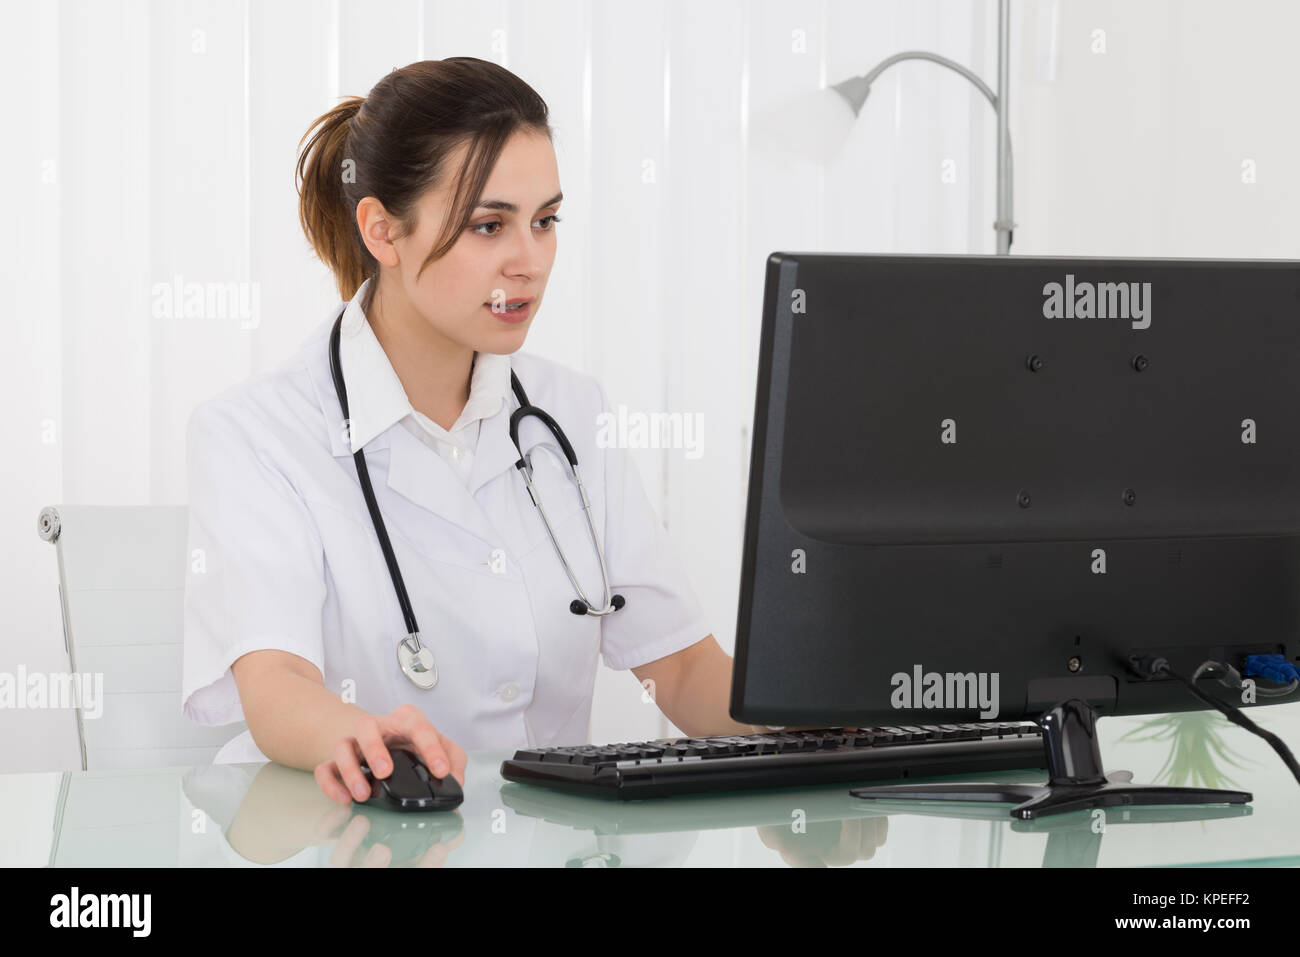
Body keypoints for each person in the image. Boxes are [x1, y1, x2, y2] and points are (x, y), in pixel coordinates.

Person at [181, 57, 766, 807]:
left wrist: (819, 719)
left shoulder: (570, 413)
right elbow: (275, 685)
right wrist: (359, 734)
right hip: (354, 843)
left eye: (545, 221)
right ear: (383, 232)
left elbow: (680, 667)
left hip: (549, 844)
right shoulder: (257, 433)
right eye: (490, 225)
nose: (530, 262)